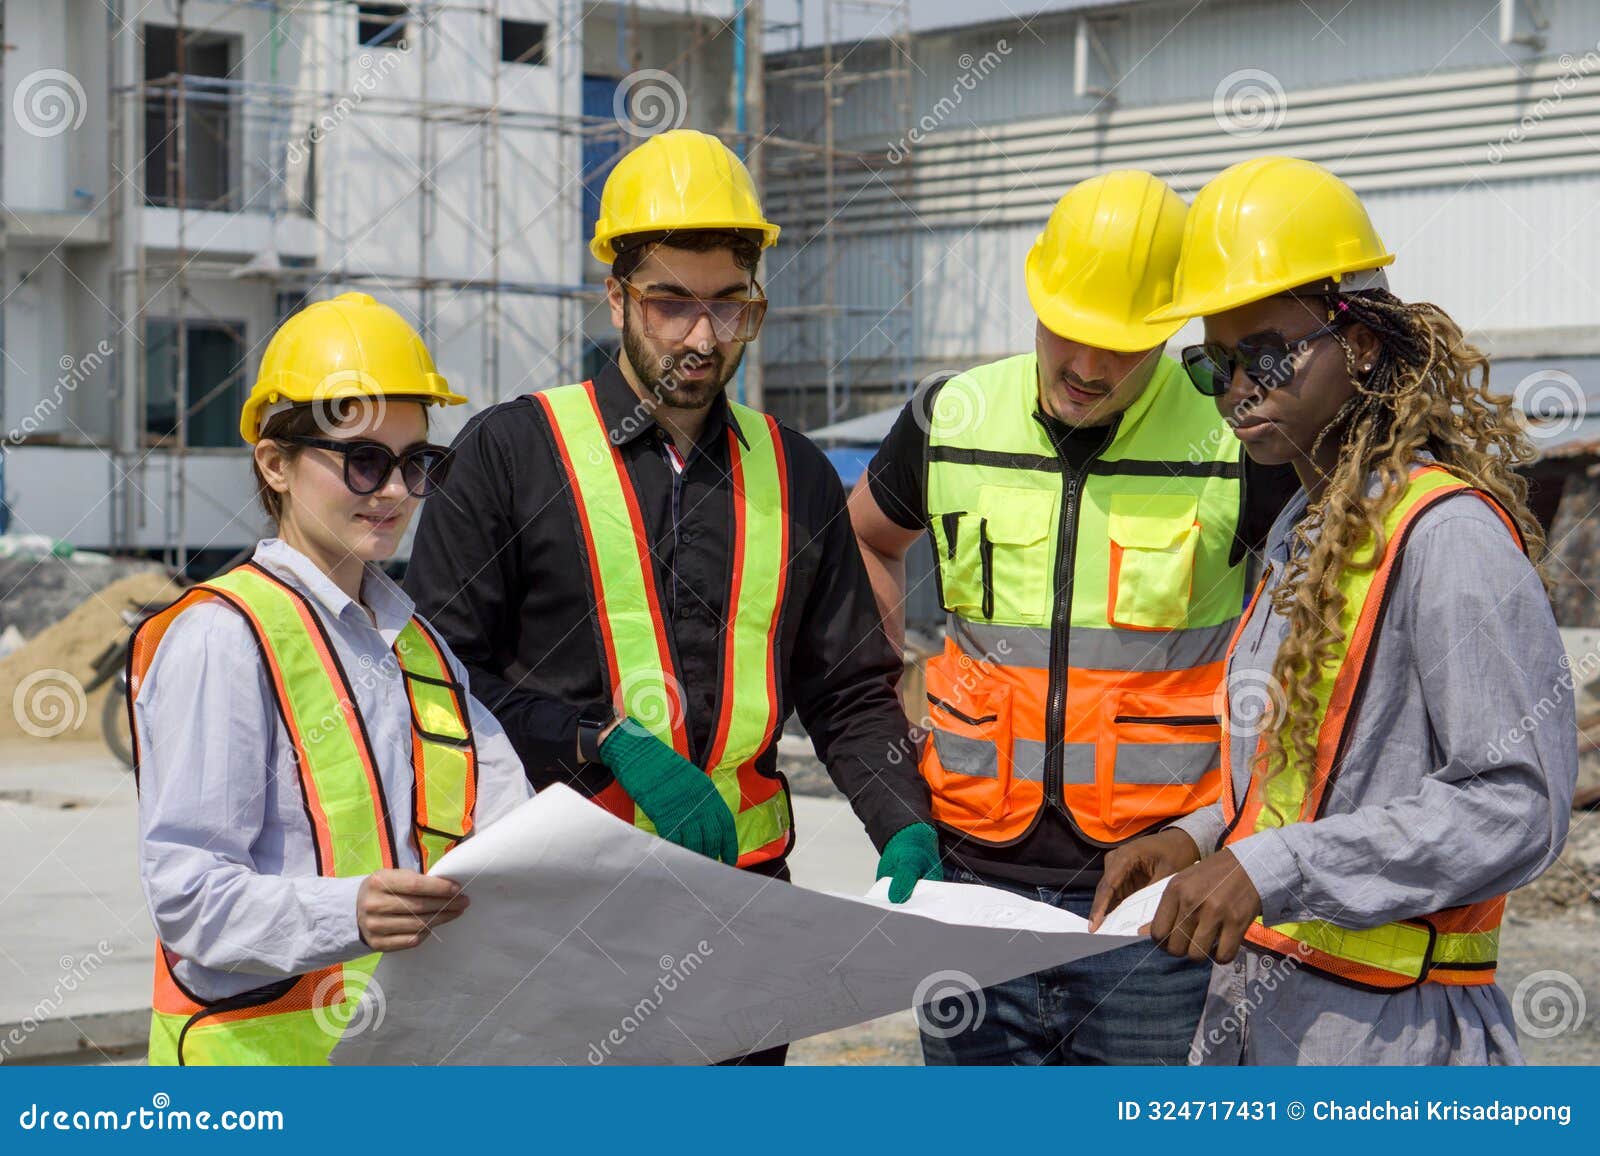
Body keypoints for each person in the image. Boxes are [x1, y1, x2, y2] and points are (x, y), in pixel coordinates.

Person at [402, 129, 939, 1066]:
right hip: (561, 917)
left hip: (740, 912)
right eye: (670, 303)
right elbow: (437, 678)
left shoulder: (796, 473)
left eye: (731, 307)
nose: (702, 336)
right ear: (615, 297)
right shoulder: (509, 455)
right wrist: (596, 740)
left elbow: (848, 687)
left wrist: (900, 819)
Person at [1091, 155, 1577, 1065]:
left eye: (1266, 355)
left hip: (1394, 1041)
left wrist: (1269, 870)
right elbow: (1302, 785)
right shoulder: (1302, 532)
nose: (1239, 389)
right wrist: (1196, 840)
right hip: (1256, 1022)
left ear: (1356, 342)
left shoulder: (1447, 535)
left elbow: (1521, 804)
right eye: (1215, 365)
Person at [848, 170, 1298, 1065]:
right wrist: (895, 704)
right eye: (1073, 335)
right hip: (973, 890)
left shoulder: (1234, 439)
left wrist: (1231, 827)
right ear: (1038, 297)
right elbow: (866, 536)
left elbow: (1316, 635)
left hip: (1154, 913)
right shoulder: (951, 416)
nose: (1089, 369)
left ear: (1173, 329)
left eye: (1125, 348)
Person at [133, 292, 533, 1065]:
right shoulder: (225, 637)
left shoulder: (421, 650)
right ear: (275, 464)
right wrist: (347, 911)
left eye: (417, 463)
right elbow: (187, 896)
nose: (393, 492)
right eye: (363, 461)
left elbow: (510, 837)